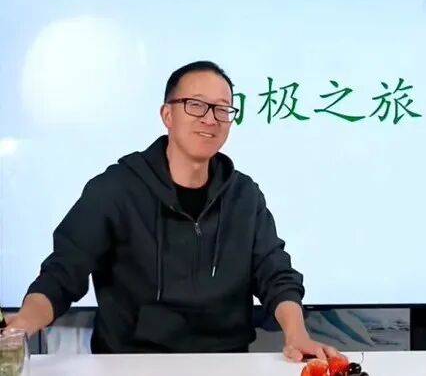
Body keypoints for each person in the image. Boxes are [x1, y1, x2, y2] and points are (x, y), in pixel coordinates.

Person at [7, 61, 339, 360]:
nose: (210, 119)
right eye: (196, 105)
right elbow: (64, 272)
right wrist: (20, 326)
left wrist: (296, 334)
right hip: (130, 363)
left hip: (226, 362)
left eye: (222, 109)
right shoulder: (115, 189)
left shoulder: (244, 195)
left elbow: (275, 272)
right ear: (167, 115)